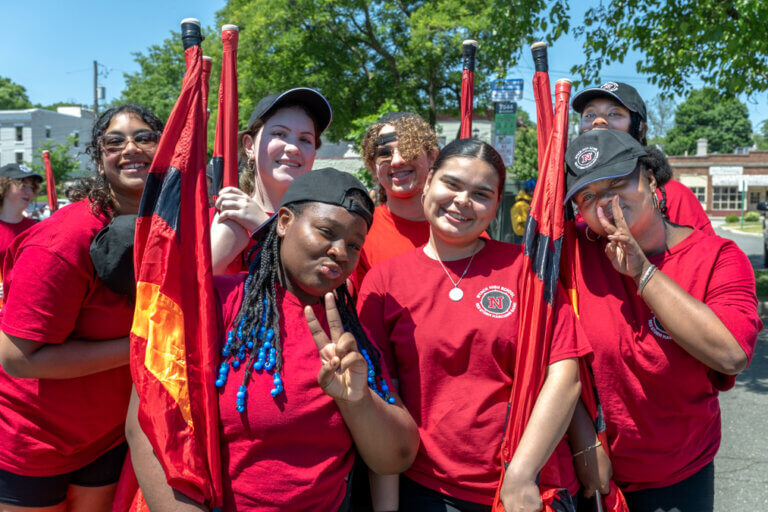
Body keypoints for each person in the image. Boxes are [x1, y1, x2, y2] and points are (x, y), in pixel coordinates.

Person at [127, 168, 419, 512]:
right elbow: (148, 424)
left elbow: (395, 458)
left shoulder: (352, 340)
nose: (341, 251)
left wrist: (358, 402)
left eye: (354, 245)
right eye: (326, 231)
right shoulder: (214, 305)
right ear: (283, 222)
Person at [358, 138, 586, 512]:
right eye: (452, 184)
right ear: (428, 182)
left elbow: (565, 375)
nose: (463, 200)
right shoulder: (385, 281)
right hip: (428, 488)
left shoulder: (527, 270)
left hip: (526, 489)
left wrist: (521, 474)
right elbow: (383, 400)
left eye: (481, 194)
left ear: (497, 205)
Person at [564, 129, 761, 511]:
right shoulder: (571, 249)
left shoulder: (717, 257)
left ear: (651, 178)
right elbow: (552, 356)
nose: (606, 202)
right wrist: (585, 444)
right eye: (589, 196)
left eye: (618, 182)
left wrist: (643, 274)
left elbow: (731, 353)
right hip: (590, 475)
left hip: (679, 475)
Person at [0, 104, 163, 511]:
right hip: (34, 442)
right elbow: (16, 358)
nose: (131, 148)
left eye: (145, 137)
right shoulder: (64, 239)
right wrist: (142, 346)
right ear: (98, 156)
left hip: (108, 438)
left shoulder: (167, 228)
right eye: (114, 141)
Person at [210, 87, 332, 274]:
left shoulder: (327, 227)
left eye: (305, 139)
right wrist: (214, 261)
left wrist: (264, 228)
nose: (293, 147)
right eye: (279, 134)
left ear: (313, 155)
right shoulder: (211, 220)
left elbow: (330, 296)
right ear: (249, 146)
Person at [571, 81, 715, 235]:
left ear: (641, 130)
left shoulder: (675, 196)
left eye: (614, 113)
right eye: (590, 114)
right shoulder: (575, 193)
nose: (598, 120)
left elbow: (706, 254)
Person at [352, 112, 439, 289]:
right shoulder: (358, 231)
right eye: (384, 154)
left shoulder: (462, 227)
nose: (397, 161)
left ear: (432, 157)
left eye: (408, 149)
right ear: (373, 167)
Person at [0, 163, 42, 304]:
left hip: (22, 308)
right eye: (23, 185)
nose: (29, 192)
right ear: (4, 188)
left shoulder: (36, 229)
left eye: (31, 187)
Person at [510, 178, 536, 244]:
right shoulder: (520, 205)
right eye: (536, 191)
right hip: (523, 239)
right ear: (530, 191)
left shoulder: (529, 203)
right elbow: (518, 229)